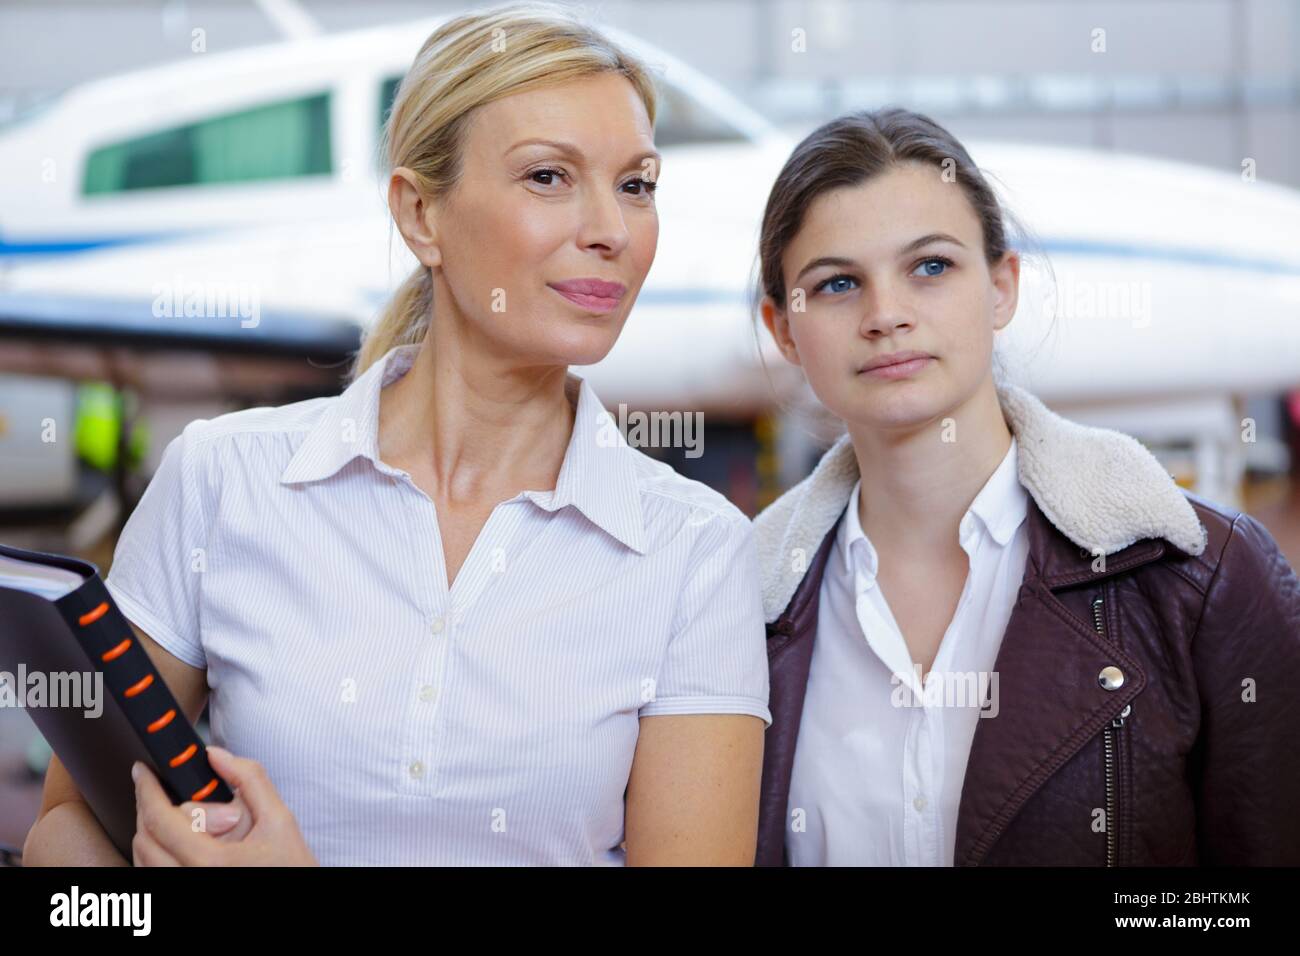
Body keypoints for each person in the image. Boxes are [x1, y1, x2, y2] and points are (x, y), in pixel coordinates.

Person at [23, 2, 770, 867]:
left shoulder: (696, 553)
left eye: (636, 184)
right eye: (548, 178)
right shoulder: (222, 481)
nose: (611, 229)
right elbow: (63, 838)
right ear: (420, 216)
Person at [751, 106, 1300, 866]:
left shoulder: (1201, 579)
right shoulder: (738, 608)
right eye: (838, 283)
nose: (887, 315)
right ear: (784, 329)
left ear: (1002, 287)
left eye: (931, 267)